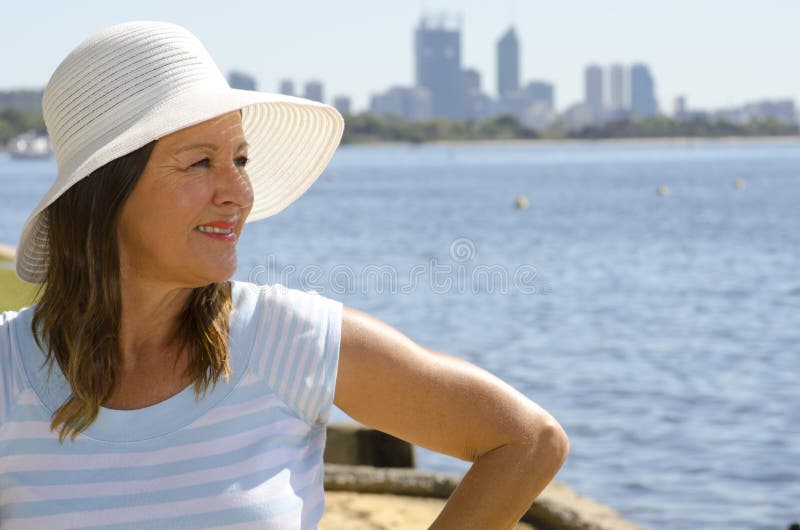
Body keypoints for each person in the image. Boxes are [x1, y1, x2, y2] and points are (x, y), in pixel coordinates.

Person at [0, 21, 568, 529]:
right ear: (105, 192)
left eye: (240, 160)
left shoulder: (287, 340)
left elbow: (527, 440)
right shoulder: (7, 371)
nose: (239, 192)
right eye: (200, 161)